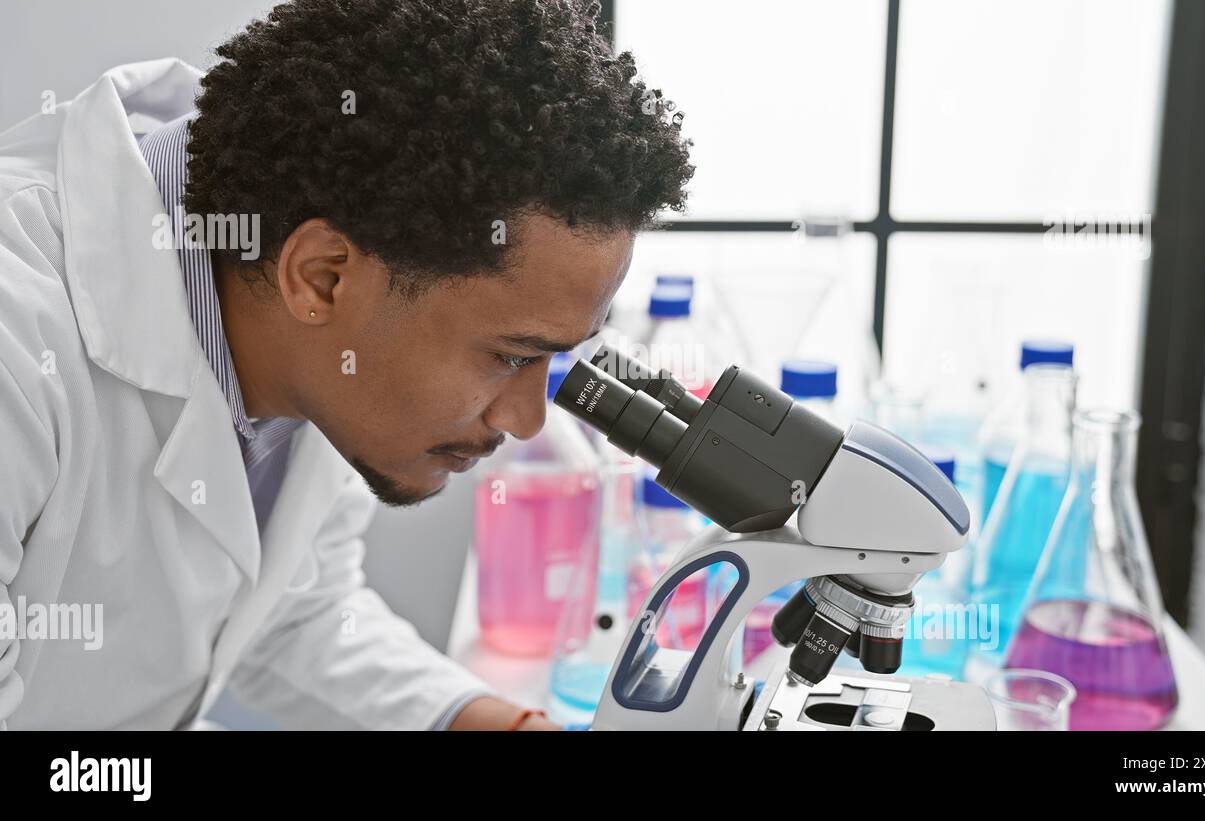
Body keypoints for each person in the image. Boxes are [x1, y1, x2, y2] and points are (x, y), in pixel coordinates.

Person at [0, 0, 692, 730]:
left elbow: (294, 609)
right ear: (322, 276)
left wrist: (499, 725)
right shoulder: (21, 340)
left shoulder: (304, 322)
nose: (524, 420)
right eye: (510, 356)